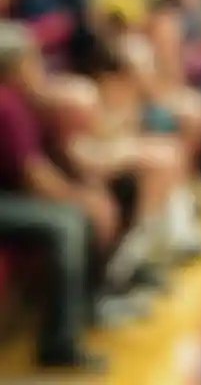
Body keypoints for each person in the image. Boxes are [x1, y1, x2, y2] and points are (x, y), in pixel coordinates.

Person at [0, 23, 113, 370]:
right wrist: (78, 198)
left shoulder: (22, 100)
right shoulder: (6, 106)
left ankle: (88, 309)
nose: (40, 67)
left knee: (80, 211)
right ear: (15, 65)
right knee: (67, 223)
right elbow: (34, 178)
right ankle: (58, 343)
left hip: (13, 195)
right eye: (33, 60)